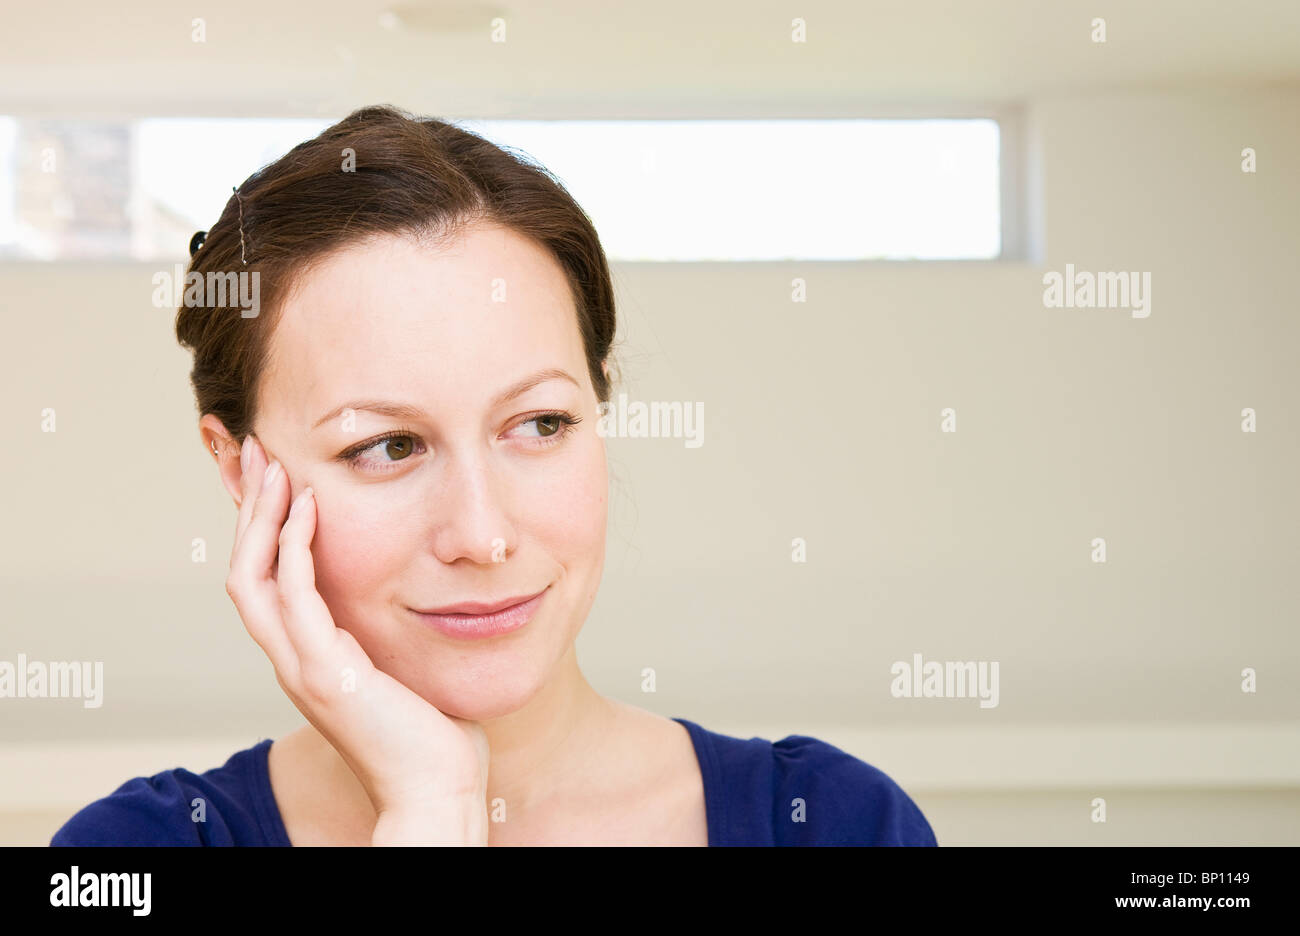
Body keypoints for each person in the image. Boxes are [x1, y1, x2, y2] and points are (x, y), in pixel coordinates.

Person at [50, 105, 936, 846]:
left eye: (540, 424)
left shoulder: (835, 823)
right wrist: (430, 810)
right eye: (389, 446)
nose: (481, 534)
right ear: (242, 472)